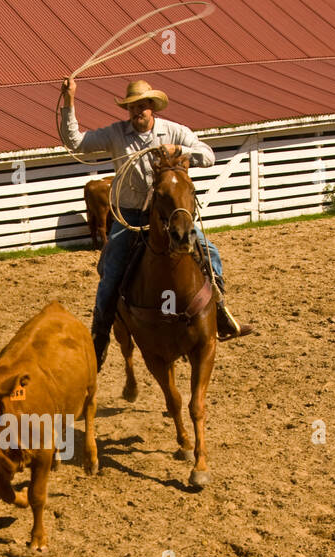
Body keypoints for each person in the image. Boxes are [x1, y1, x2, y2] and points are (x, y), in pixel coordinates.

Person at [60, 78, 249, 369]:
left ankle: (220, 310)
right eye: (133, 107)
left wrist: (181, 152)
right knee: (111, 272)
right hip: (131, 216)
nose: (139, 111)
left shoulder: (174, 132)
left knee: (209, 252)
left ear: (152, 108)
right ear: (128, 110)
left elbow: (208, 156)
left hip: (168, 215)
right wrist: (69, 101)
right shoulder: (115, 135)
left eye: (143, 106)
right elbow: (76, 142)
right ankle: (99, 338)